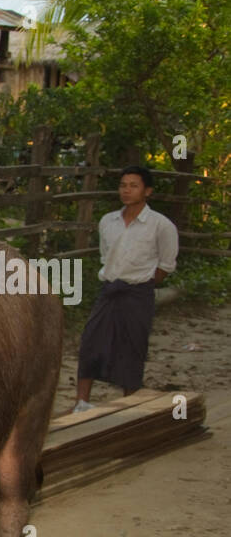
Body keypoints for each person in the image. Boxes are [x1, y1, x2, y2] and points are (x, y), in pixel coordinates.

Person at [74, 165, 179, 411]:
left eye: (134, 186)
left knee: (132, 347)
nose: (127, 190)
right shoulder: (108, 221)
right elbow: (105, 256)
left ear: (147, 191)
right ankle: (81, 402)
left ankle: (128, 404)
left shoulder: (160, 225)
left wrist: (142, 282)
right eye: (123, 185)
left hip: (138, 293)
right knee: (91, 342)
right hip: (109, 291)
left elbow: (165, 265)